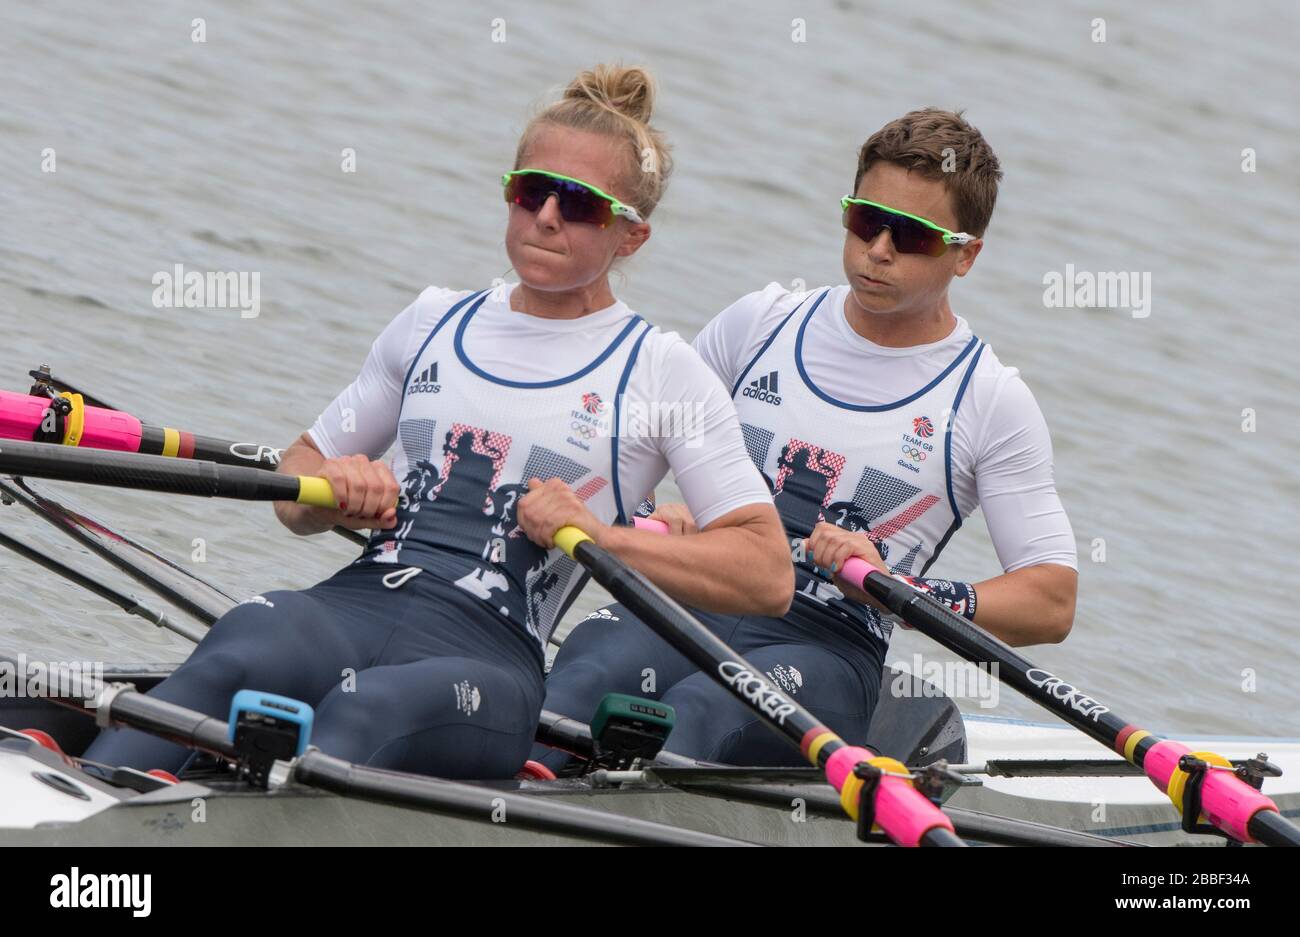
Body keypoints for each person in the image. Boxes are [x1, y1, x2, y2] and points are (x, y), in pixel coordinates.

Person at [82, 65, 791, 780]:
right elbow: (291, 479)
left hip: (486, 657)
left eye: (579, 203)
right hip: (357, 600)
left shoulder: (663, 371)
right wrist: (330, 488)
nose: (546, 214)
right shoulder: (431, 321)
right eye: (529, 190)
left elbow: (766, 574)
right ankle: (85, 807)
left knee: (367, 709)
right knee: (246, 639)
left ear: (630, 236)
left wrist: (603, 536)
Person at [538, 108, 1078, 768]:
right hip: (694, 599)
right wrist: (652, 513)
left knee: (702, 717)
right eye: (864, 221)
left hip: (823, 647)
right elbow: (619, 462)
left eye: (910, 235)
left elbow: (1052, 598)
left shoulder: (989, 400)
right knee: (578, 680)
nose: (878, 249)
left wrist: (903, 586)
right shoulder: (760, 324)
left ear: (965, 254)